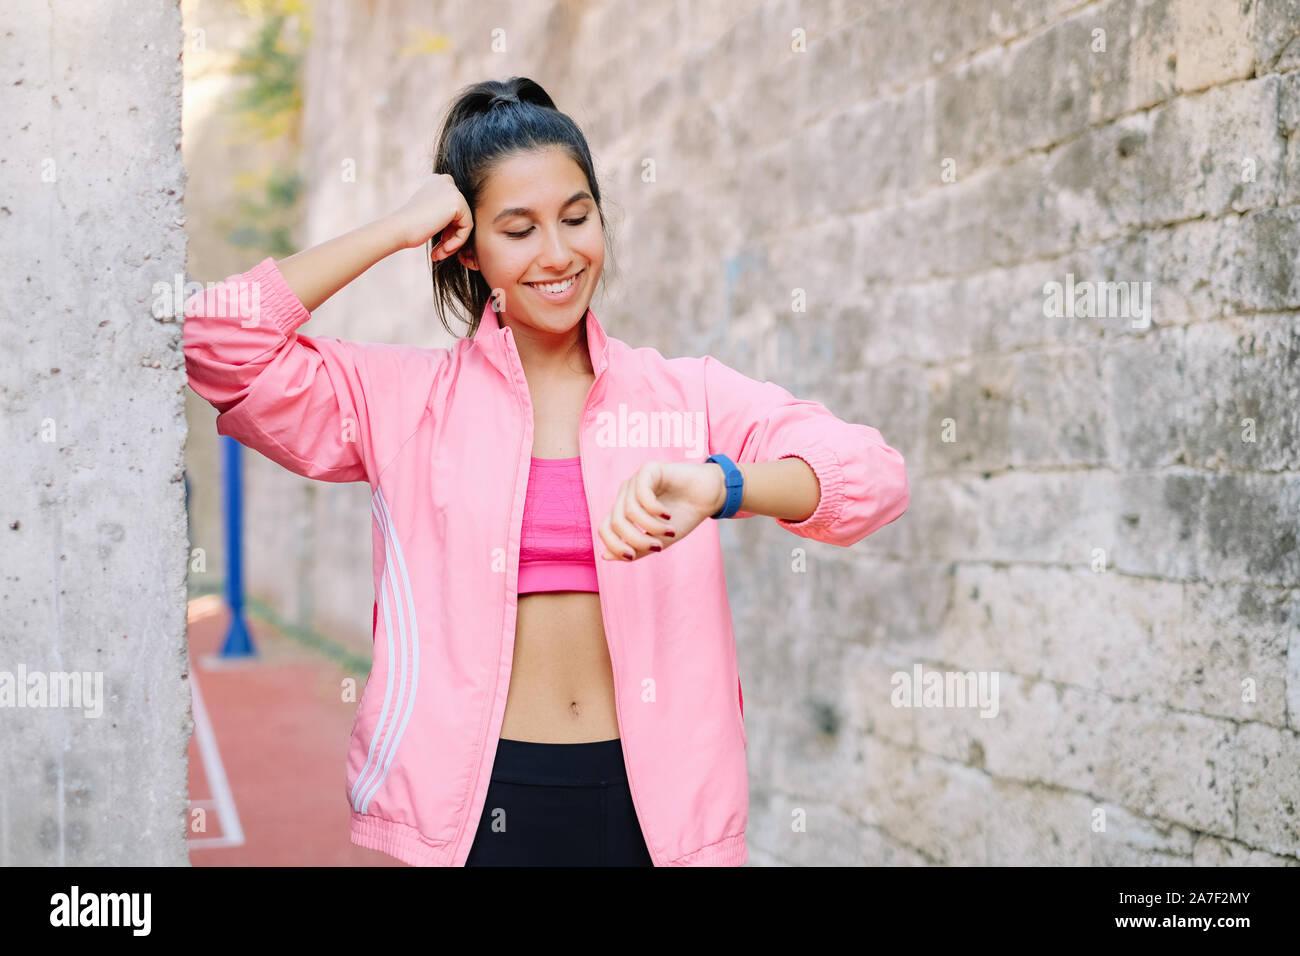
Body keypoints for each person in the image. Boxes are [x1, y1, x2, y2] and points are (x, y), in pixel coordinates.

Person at [183, 76, 910, 867]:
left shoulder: (684, 396)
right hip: (468, 810)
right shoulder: (402, 401)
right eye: (519, 229)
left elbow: (873, 478)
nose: (559, 255)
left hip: (651, 813)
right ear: (466, 246)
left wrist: (724, 485)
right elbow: (217, 342)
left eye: (576, 217)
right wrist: (393, 229)